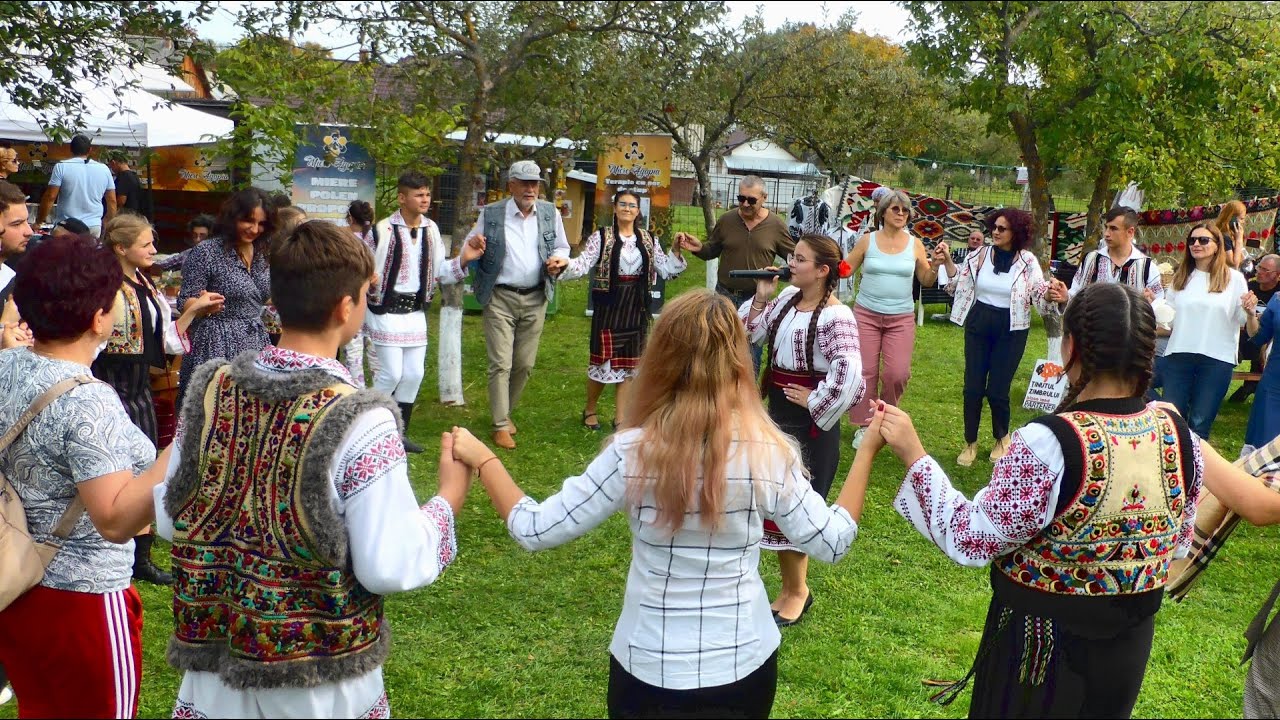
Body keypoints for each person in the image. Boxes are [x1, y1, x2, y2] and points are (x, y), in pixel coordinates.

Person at [447, 289, 870, 720]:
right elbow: (833, 542)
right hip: (744, 662)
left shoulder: (631, 453)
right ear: (738, 363)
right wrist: (866, 454)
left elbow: (535, 528)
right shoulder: (768, 453)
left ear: (662, 357)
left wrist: (484, 459)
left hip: (650, 665)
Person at [153, 220, 470, 719]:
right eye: (365, 294)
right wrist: (448, 499)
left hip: (215, 676)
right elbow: (389, 564)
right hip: (319, 684)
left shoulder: (212, 391)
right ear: (347, 307)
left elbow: (174, 522)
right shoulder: (361, 420)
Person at [877, 282, 1200, 717]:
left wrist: (914, 455)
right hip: (1128, 647)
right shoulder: (1179, 436)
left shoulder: (1050, 443)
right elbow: (1177, 544)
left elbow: (973, 538)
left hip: (1042, 651)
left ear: (1071, 347)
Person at [0, 234, 176, 719]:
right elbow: (115, 519)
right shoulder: (87, 400)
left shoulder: (6, 365)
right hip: (84, 600)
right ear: (100, 317)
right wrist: (178, 450)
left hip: (17, 585)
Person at [92, 214, 223, 586]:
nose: (153, 249)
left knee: (145, 459)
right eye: (146, 244)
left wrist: (193, 310)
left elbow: (164, 337)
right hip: (110, 379)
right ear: (120, 247)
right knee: (115, 461)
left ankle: (140, 556)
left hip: (139, 385)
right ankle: (115, 545)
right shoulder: (105, 287)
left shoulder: (144, 284)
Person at [743, 234, 863, 626]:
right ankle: (790, 589)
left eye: (799, 259)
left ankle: (798, 591)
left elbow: (849, 374)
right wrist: (762, 295)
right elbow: (750, 334)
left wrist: (813, 400)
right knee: (773, 503)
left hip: (810, 425)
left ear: (823, 271)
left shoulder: (836, 316)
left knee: (797, 505)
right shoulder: (785, 301)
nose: (790, 264)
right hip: (777, 413)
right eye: (791, 257)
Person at [933, 208, 1066, 466]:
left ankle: (1001, 438)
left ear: (1015, 233)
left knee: (997, 390)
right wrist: (948, 259)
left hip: (1011, 329)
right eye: (994, 226)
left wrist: (1050, 295)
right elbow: (955, 284)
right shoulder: (979, 255)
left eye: (1002, 228)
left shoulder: (1027, 262)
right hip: (979, 324)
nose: (995, 231)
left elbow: (1039, 293)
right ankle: (970, 442)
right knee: (972, 388)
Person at [559, 189, 693, 430]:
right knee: (602, 361)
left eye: (632, 205)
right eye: (623, 204)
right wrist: (564, 265)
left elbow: (666, 269)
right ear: (615, 208)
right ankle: (590, 409)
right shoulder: (602, 237)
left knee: (629, 365)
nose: (627, 209)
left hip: (636, 305)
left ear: (638, 211)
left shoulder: (648, 239)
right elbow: (583, 264)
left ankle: (621, 418)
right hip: (609, 304)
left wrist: (676, 250)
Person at [369, 172, 483, 453]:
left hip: (415, 313)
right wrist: (365, 277)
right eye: (418, 194)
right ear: (401, 198)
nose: (425, 199)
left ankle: (399, 435)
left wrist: (464, 259)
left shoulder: (431, 230)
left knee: (413, 374)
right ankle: (369, 429)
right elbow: (360, 263)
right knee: (391, 374)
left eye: (427, 194)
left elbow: (441, 272)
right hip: (385, 310)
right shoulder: (381, 230)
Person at [465, 160, 570, 451]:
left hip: (536, 296)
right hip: (500, 296)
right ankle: (500, 424)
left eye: (535, 183)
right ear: (511, 185)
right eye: (524, 183)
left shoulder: (550, 213)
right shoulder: (492, 213)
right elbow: (470, 246)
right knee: (501, 363)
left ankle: (505, 412)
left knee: (524, 364)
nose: (531, 189)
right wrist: (473, 245)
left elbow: (563, 246)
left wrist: (560, 260)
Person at [842, 189, 938, 448]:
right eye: (895, 209)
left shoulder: (915, 244)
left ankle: (885, 417)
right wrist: (824, 259)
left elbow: (926, 280)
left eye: (905, 210)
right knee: (866, 372)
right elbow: (845, 268)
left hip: (901, 318)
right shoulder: (867, 240)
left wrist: (936, 265)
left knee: (897, 373)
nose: (901, 213)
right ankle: (865, 425)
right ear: (882, 212)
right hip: (866, 314)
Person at [175, 188, 275, 409]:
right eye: (248, 221)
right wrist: (203, 306)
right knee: (214, 410)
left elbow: (258, 294)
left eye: (261, 224)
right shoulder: (207, 252)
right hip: (216, 341)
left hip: (255, 341)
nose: (255, 229)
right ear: (232, 217)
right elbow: (186, 302)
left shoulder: (262, 252)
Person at [690, 175, 796, 372]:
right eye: (741, 198)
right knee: (717, 350)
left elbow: (794, 260)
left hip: (755, 299)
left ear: (764, 197)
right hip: (724, 295)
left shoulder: (775, 225)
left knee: (749, 356)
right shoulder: (727, 219)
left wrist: (779, 273)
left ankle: (746, 399)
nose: (745, 204)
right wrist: (698, 248)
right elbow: (712, 250)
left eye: (751, 200)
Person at [1161, 222, 1251, 439]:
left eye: (1203, 240)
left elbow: (1241, 319)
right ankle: (1174, 470)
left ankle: (1196, 471)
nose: (1196, 244)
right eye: (1192, 240)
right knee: (1172, 422)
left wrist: (1250, 311)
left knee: (1200, 424)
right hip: (1178, 355)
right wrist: (1152, 308)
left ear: (1217, 245)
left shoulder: (1234, 279)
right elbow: (1168, 320)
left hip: (1216, 359)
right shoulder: (1181, 277)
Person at [1066, 206, 1164, 301]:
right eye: (1106, 227)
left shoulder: (1147, 267)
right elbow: (1075, 296)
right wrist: (1065, 297)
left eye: (1113, 228)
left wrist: (1150, 303)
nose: (1106, 234)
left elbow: (1158, 306)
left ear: (1130, 232)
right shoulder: (1091, 259)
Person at [36, 134, 116, 237]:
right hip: (93, 225)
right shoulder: (104, 169)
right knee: (89, 253)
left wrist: (39, 221)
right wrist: (108, 221)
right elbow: (112, 201)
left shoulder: (62, 167)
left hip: (67, 226)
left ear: (71, 149)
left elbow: (50, 197)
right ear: (90, 150)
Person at [1231, 253, 1280, 403]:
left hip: (1266, 339)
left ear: (1277, 275)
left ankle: (1251, 383)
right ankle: (1250, 382)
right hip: (1245, 331)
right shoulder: (1250, 287)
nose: (1259, 271)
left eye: (1265, 270)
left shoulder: (1278, 296)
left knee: (1263, 341)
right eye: (1259, 267)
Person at [343, 199, 378, 386]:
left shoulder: (344, 240)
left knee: (354, 350)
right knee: (375, 348)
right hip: (375, 300)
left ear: (349, 217)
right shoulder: (377, 238)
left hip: (352, 298)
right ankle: (382, 392)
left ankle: (357, 389)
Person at [106, 150, 143, 216]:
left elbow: (121, 200)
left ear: (113, 162)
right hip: (134, 214)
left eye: (111, 166)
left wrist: (112, 212)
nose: (112, 169)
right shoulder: (134, 175)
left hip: (125, 215)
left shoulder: (124, 177)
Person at [1216, 199, 1248, 270]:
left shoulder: (1231, 235)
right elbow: (1234, 265)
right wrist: (1239, 240)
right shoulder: (1224, 237)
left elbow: (1241, 258)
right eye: (1241, 219)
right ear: (1231, 218)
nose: (1243, 222)